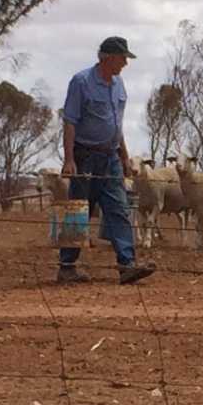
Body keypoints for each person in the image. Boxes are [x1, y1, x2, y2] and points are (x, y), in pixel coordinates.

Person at [58, 36, 154, 285]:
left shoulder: (119, 85)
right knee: (79, 211)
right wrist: (69, 159)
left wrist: (124, 157)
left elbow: (117, 125)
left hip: (110, 156)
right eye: (123, 58)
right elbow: (70, 121)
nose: (125, 63)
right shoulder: (81, 82)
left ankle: (127, 264)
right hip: (85, 156)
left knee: (118, 209)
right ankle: (67, 267)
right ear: (108, 57)